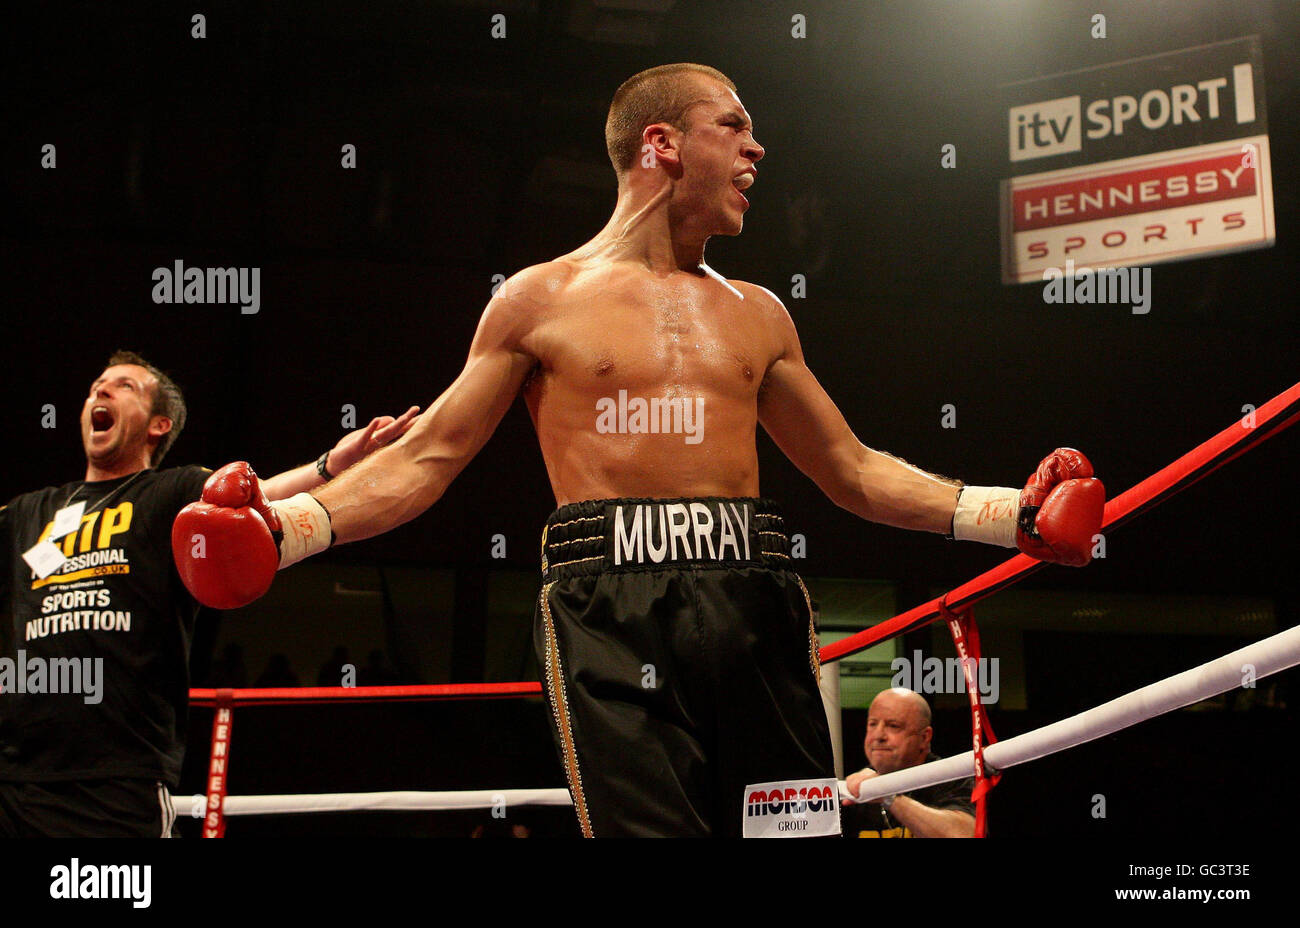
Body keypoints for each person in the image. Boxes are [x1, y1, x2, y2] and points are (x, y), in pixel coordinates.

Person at [176, 63, 1105, 837]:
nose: (757, 149)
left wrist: (1005, 515)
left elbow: (851, 469)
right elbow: (429, 459)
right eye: (733, 127)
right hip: (609, 604)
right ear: (662, 143)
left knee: (791, 837)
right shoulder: (538, 300)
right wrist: (288, 528)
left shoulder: (759, 314)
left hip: (754, 593)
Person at [0, 351, 418, 836]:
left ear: (159, 425)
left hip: (119, 773)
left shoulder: (169, 491)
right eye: (96, 385)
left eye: (123, 386)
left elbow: (251, 498)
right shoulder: (30, 511)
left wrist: (329, 465)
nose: (101, 391)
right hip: (15, 773)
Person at [843, 688, 976, 838]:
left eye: (893, 726)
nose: (878, 735)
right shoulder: (854, 788)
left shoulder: (950, 777)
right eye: (872, 724)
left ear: (924, 737)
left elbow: (965, 834)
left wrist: (887, 795)